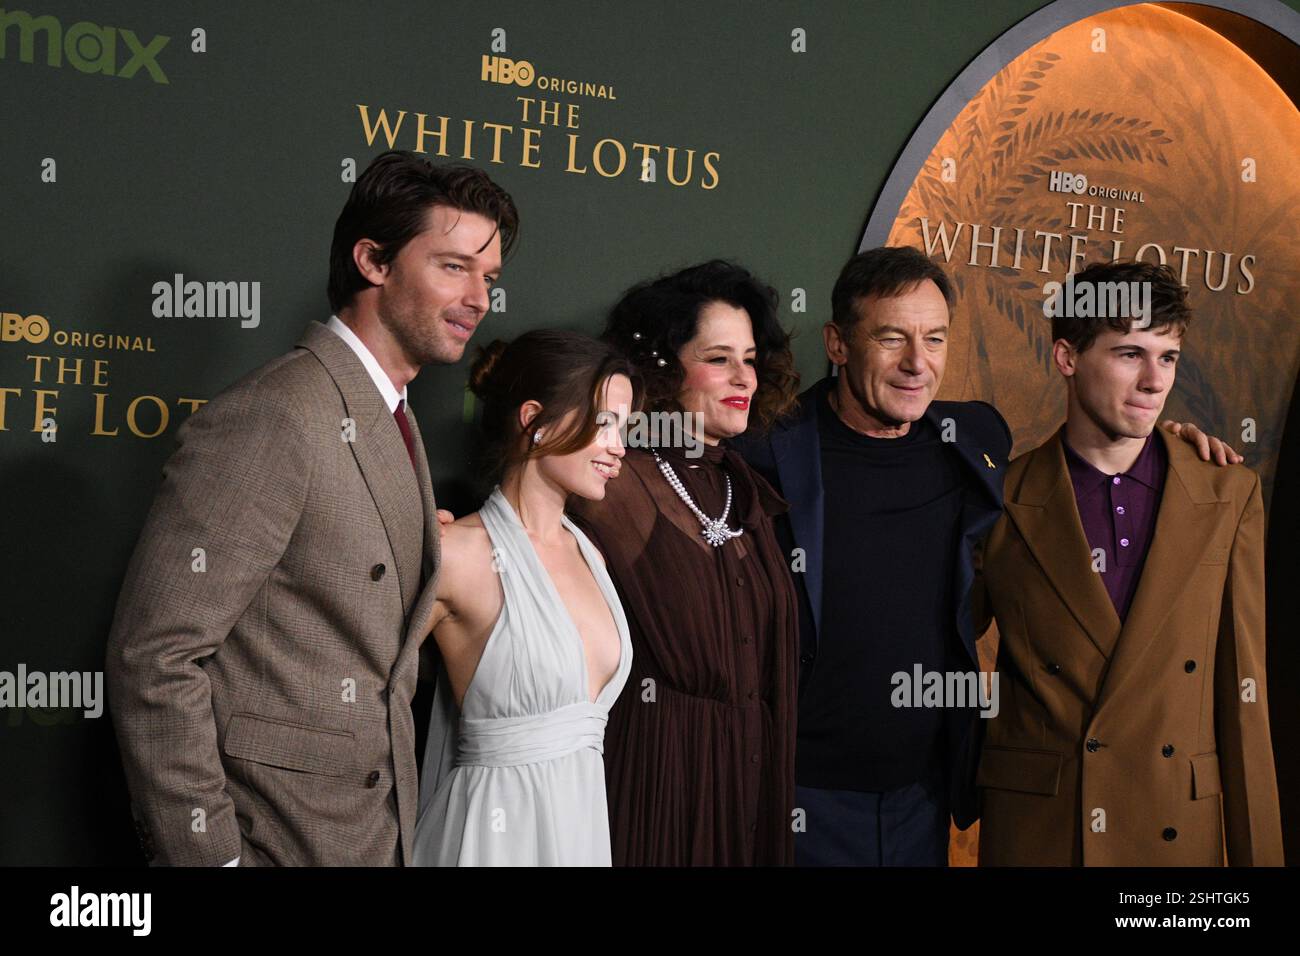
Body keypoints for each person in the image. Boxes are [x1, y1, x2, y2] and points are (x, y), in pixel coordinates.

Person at [732, 246, 1245, 866]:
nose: (917, 364)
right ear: (838, 344)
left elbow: (1109, 435)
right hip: (798, 790)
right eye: (892, 339)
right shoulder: (765, 452)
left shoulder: (974, 442)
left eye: (936, 339)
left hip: (924, 794)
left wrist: (1170, 442)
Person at [105, 150, 517, 866]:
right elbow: (156, 655)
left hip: (369, 834)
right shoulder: (276, 415)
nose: (480, 297)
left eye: (489, 277)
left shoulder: (394, 415)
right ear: (373, 261)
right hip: (276, 840)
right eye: (454, 267)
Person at [973, 260, 1283, 865]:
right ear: (1067, 358)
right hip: (1043, 833)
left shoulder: (1226, 494)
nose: (1153, 381)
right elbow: (936, 649)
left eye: (1166, 357)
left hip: (1174, 835)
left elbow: (1245, 699)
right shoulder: (999, 498)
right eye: (1129, 354)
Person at [567, 259, 801, 865]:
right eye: (719, 358)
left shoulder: (748, 489)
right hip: (659, 784)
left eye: (750, 359)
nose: (742, 376)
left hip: (750, 783)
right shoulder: (615, 484)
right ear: (664, 369)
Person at [414, 331, 639, 866]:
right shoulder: (455, 554)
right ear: (535, 421)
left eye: (623, 428)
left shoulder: (593, 558)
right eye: (604, 423)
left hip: (578, 833)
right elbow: (349, 690)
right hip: (487, 840)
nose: (619, 447)